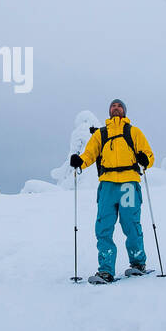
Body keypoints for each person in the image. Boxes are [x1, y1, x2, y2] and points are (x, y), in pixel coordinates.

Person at [69, 98, 156, 284]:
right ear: (109, 111)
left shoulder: (133, 131)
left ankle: (138, 264)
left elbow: (148, 154)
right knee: (103, 227)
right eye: (113, 106)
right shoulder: (101, 134)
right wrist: (79, 161)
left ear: (124, 111)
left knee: (131, 224)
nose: (116, 108)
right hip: (107, 184)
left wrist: (145, 159)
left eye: (119, 106)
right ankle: (106, 270)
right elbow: (89, 154)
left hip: (128, 184)